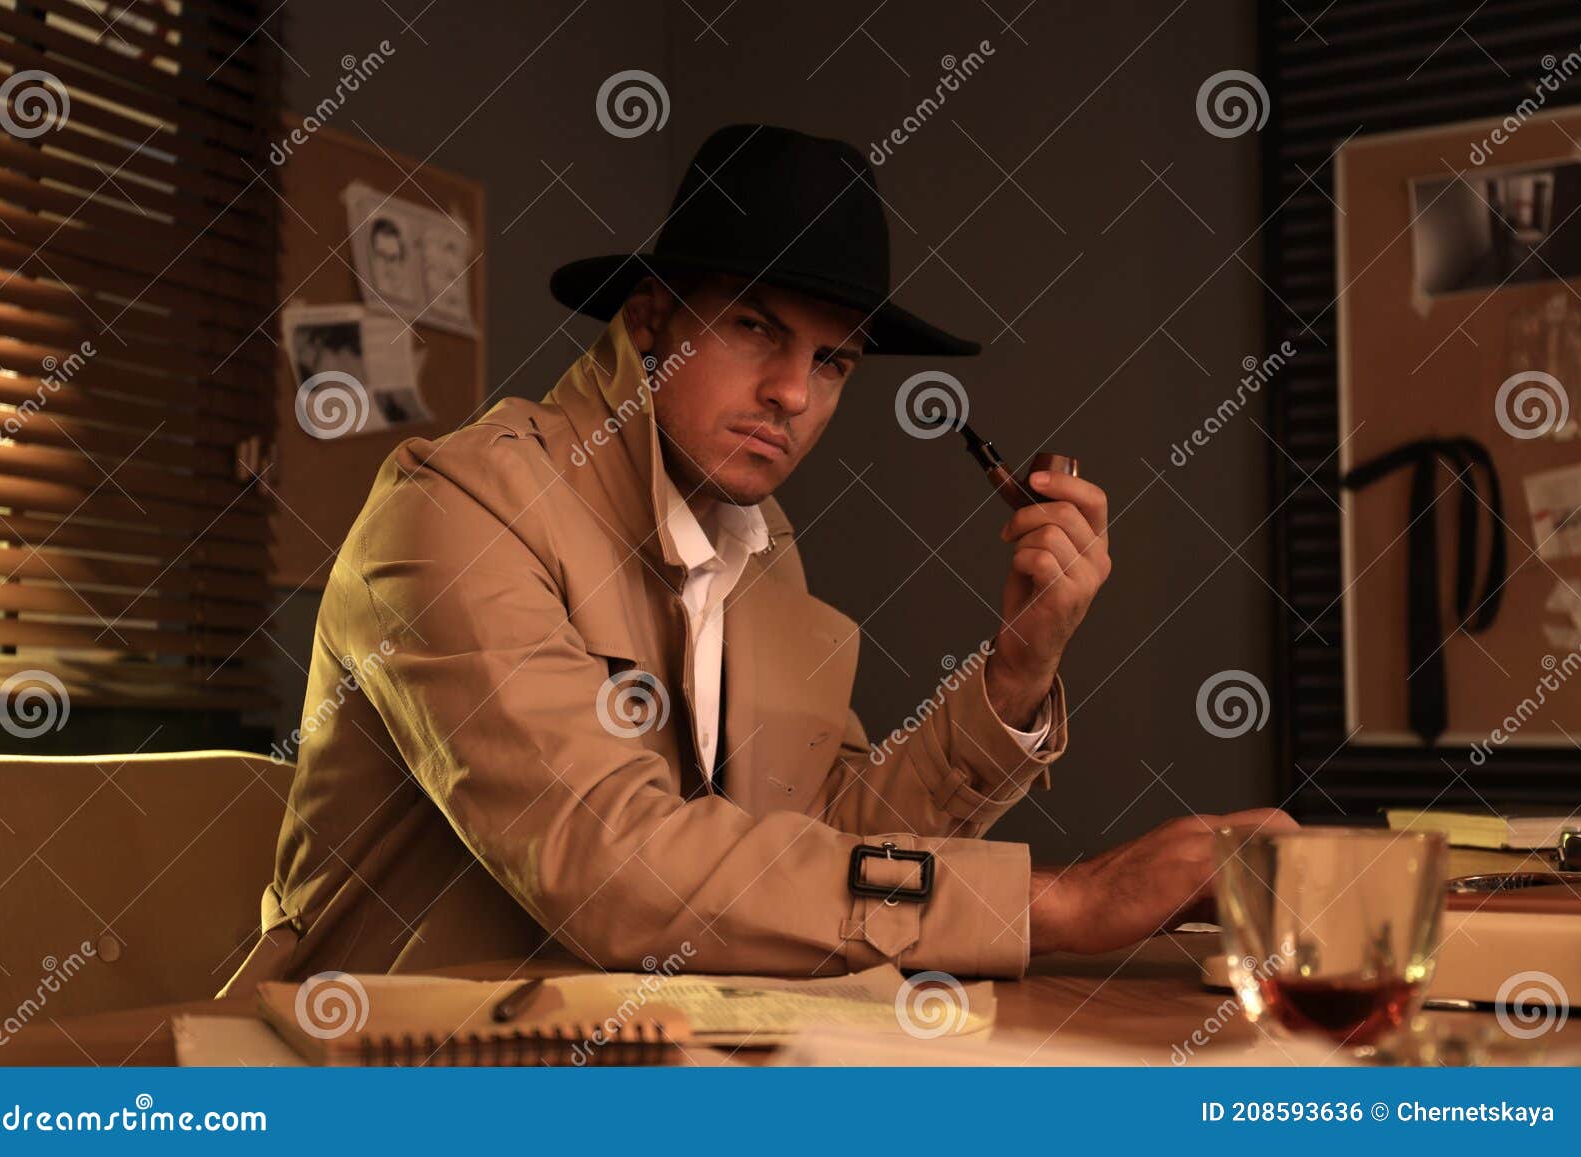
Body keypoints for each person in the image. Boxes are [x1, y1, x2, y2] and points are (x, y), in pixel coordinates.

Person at [223, 124, 1292, 993]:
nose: (792, 392)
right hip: (367, 1075)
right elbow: (616, 869)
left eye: (833, 360)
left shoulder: (759, 547)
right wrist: (1067, 900)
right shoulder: (457, 510)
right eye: (753, 327)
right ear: (650, 321)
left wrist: (1016, 667)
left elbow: (819, 850)